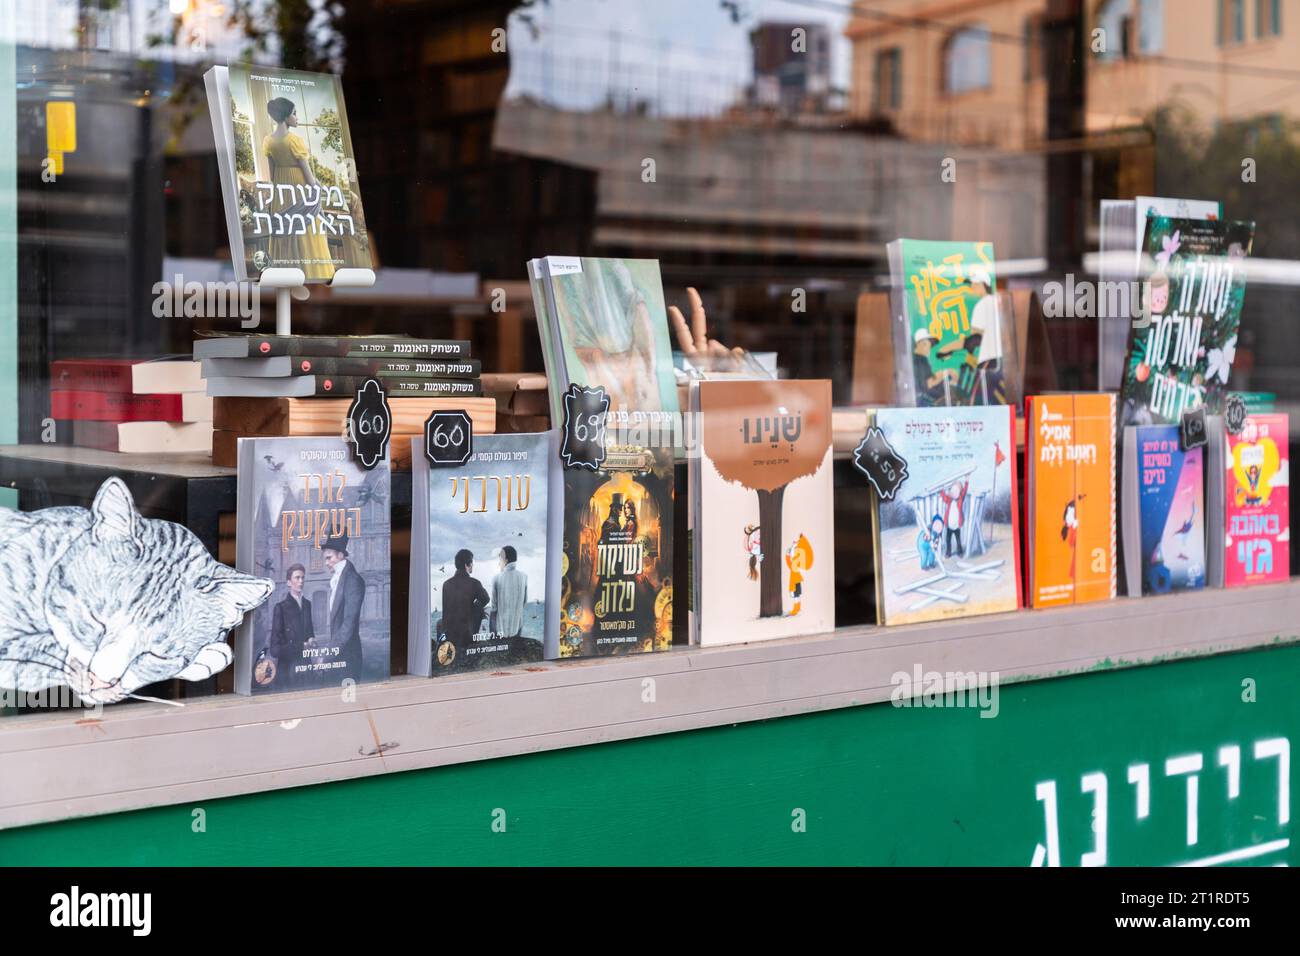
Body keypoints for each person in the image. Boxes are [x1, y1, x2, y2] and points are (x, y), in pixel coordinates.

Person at [263, 96, 335, 281]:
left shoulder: (268, 141)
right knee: (306, 227)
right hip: (299, 187)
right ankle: (311, 272)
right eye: (294, 113)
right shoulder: (295, 140)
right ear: (286, 116)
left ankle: (284, 272)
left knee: (285, 229)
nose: (297, 117)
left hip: (281, 190)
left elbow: (272, 176)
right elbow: (309, 177)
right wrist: (317, 187)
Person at [323, 535, 365, 680]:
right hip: (340, 655)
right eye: (325, 559)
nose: (326, 563)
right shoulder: (339, 578)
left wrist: (327, 656)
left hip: (348, 656)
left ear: (341, 555)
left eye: (329, 558)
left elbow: (348, 625)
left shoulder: (352, 579)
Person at [269, 563, 314, 688]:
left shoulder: (307, 605)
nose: (301, 581)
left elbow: (309, 632)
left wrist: (311, 639)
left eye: (303, 578)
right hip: (288, 672)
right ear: (289, 582)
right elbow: (275, 650)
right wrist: (300, 646)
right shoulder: (281, 608)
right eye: (297, 578)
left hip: (306, 670)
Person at [441, 548, 490, 657]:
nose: (472, 565)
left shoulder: (446, 584)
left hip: (450, 635)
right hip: (466, 637)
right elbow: (486, 599)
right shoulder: (474, 583)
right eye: (472, 563)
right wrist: (474, 607)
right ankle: (473, 638)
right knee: (479, 607)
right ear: (467, 565)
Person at [490, 546, 528, 640]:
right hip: (517, 630)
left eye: (500, 559)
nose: (499, 563)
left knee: (493, 613)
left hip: (500, 632)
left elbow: (494, 608)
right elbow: (524, 602)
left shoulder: (496, 578)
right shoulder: (524, 577)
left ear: (505, 560)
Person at [939, 480, 968, 558]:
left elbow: (964, 492)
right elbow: (944, 497)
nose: (954, 492)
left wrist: (966, 482)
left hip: (956, 525)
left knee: (958, 540)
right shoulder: (949, 500)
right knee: (948, 540)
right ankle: (948, 553)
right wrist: (941, 490)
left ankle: (960, 552)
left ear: (960, 492)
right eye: (953, 490)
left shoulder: (960, 500)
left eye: (957, 491)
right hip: (949, 526)